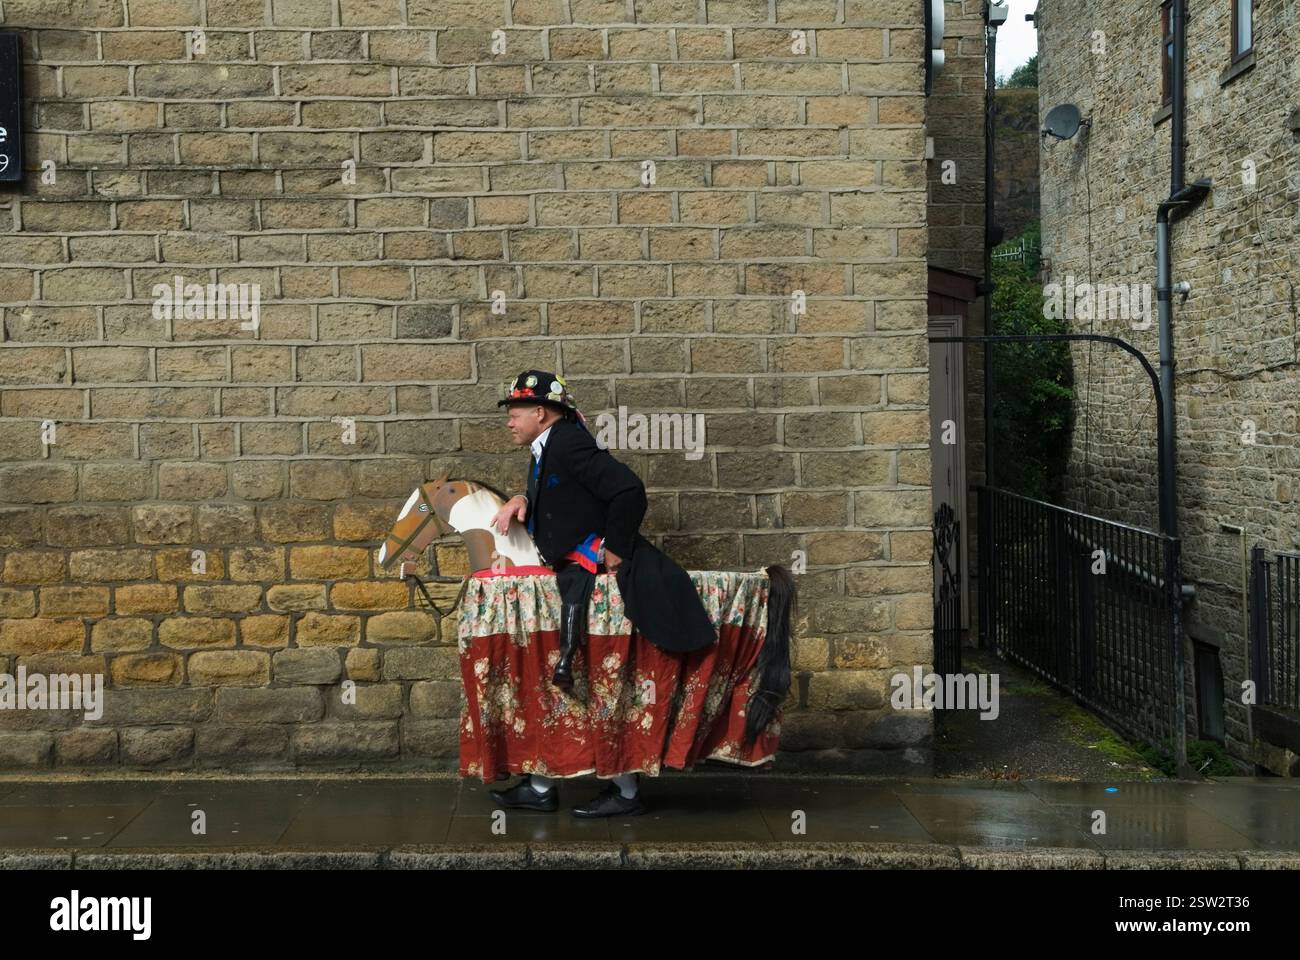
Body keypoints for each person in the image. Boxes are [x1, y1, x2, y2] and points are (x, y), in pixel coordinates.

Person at [486, 370, 649, 818]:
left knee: (588, 678)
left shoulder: (568, 442)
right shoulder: (548, 446)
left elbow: (628, 490)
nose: (509, 422)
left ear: (540, 413)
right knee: (564, 680)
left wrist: (614, 548)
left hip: (592, 586)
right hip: (572, 580)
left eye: (515, 413)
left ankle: (625, 794)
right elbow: (568, 500)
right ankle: (541, 786)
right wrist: (523, 499)